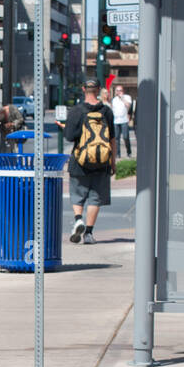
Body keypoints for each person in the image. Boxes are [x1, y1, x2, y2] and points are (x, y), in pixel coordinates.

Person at [62, 78, 115, 245]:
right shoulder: (106, 111)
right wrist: (112, 161)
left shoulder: (76, 111)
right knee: (95, 198)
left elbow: (70, 136)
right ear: (99, 89)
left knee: (78, 195)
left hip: (80, 160)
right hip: (102, 161)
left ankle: (78, 220)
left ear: (84, 89)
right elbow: (112, 137)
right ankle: (89, 234)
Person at [111, 85, 134, 159]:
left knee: (125, 137)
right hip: (116, 121)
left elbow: (128, 105)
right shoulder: (114, 99)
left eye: (120, 90)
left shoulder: (127, 97)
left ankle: (129, 152)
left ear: (123, 91)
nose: (118, 92)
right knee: (116, 138)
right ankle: (118, 154)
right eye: (117, 90)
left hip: (124, 120)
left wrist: (122, 98)